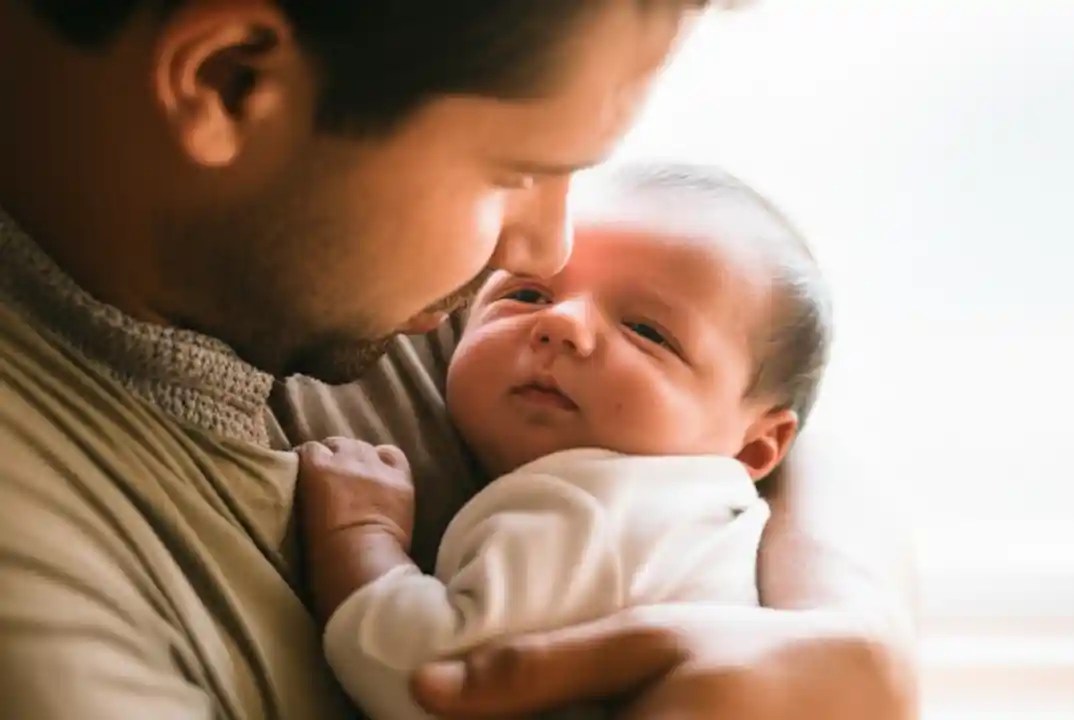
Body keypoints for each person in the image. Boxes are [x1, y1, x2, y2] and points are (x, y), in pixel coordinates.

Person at [0, 1, 914, 718]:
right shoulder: (45, 613)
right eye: (513, 172)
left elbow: (760, 418)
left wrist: (853, 634)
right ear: (228, 81)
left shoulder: (382, 266)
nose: (546, 254)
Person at [296, 164, 831, 720]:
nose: (562, 324)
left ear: (755, 447)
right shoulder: (699, 519)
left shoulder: (598, 505)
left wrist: (360, 535)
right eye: (526, 294)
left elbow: (431, 680)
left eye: (647, 332)